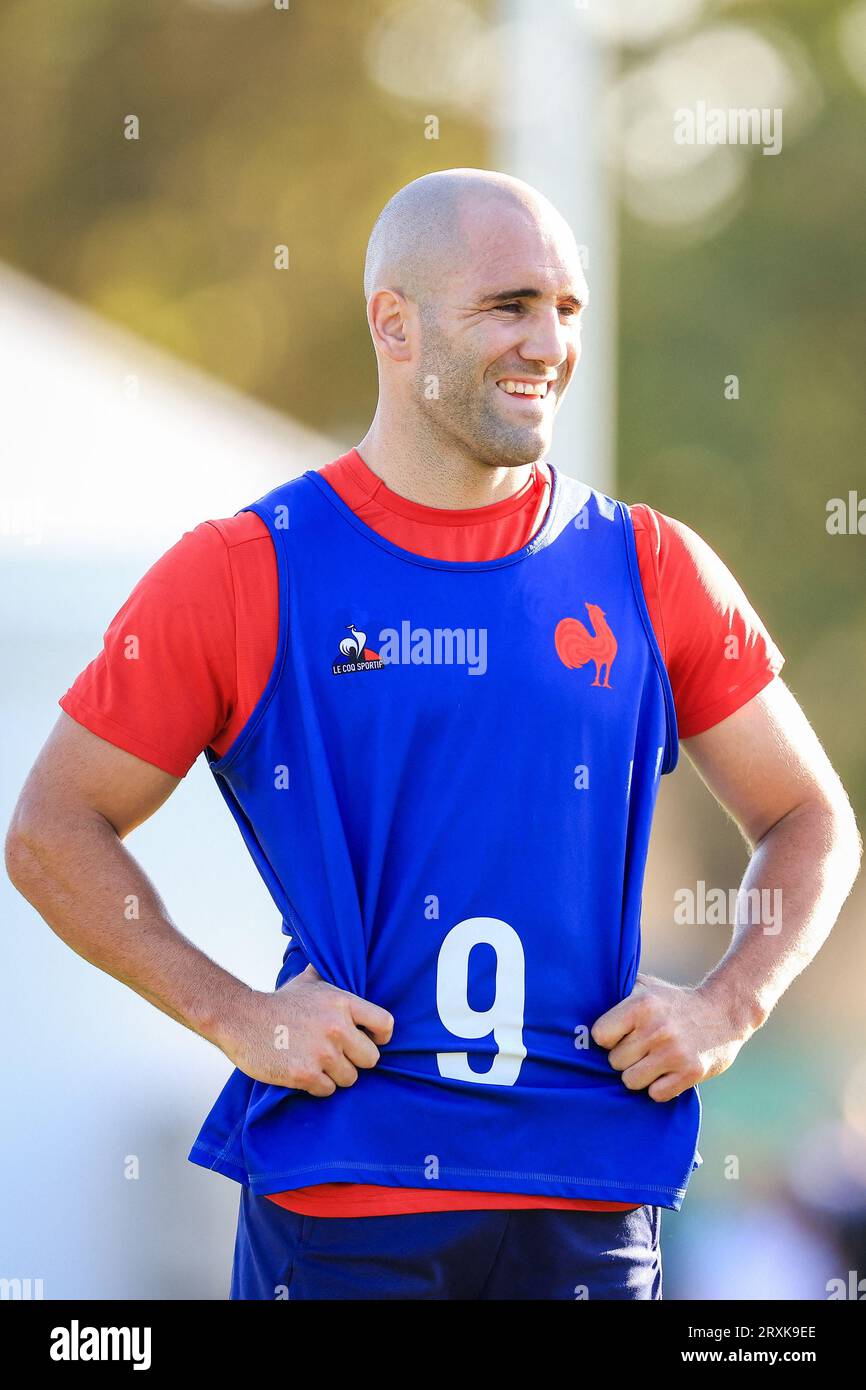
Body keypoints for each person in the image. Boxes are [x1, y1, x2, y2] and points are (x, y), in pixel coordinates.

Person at [6, 169, 860, 1301]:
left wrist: (724, 1005)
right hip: (348, 1195)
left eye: (566, 308)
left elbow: (810, 818)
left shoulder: (650, 565)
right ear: (393, 323)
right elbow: (53, 828)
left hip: (589, 1196)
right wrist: (237, 1015)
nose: (547, 342)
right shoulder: (246, 566)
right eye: (508, 304)